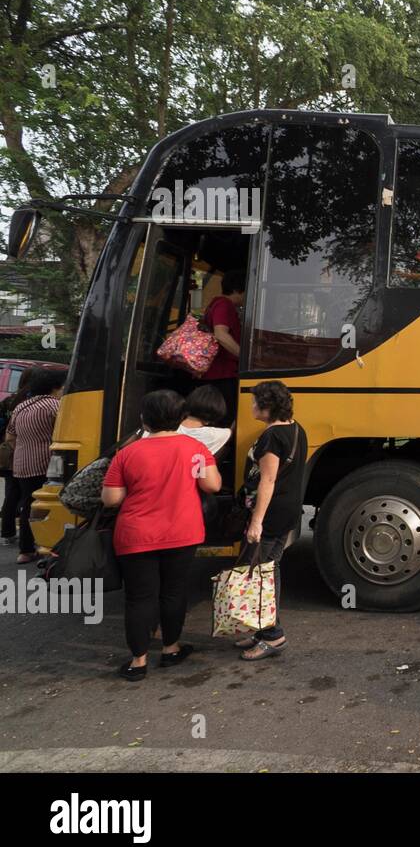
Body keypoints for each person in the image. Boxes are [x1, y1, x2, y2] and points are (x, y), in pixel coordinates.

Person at [101, 390, 220, 680]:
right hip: (183, 532)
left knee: (140, 597)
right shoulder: (196, 449)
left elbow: (111, 499)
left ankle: (138, 661)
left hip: (136, 535)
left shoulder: (127, 454)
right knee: (173, 591)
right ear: (180, 418)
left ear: (144, 418)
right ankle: (170, 649)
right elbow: (212, 486)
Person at [233, 381, 307, 661]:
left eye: (255, 402)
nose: (251, 406)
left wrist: (257, 521)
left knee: (261, 575)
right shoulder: (296, 428)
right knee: (269, 569)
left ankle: (272, 636)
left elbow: (268, 479)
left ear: (268, 407)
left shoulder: (272, 437)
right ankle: (261, 630)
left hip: (272, 514)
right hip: (286, 511)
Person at [7, 367, 65, 563]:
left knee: (27, 504)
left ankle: (25, 551)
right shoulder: (55, 406)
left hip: (21, 463)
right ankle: (46, 545)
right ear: (56, 387)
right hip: (46, 463)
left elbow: (10, 436)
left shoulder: (21, 407)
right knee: (47, 505)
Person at [199, 270, 245, 426]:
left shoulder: (216, 304)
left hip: (219, 374)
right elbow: (221, 334)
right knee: (223, 420)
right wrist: (245, 357)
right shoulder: (224, 305)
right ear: (238, 290)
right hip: (222, 374)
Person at [0, 367, 38, 547]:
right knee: (27, 497)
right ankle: (27, 537)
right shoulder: (31, 401)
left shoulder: (9, 400)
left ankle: (7, 533)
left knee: (11, 493)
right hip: (26, 453)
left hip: (8, 451)